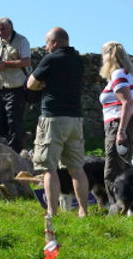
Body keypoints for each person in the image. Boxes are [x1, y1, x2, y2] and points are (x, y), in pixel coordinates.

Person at [27, 27, 89, 217]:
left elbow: (30, 83)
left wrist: (43, 84)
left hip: (53, 118)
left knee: (49, 169)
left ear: (54, 42)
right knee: (77, 168)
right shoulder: (78, 61)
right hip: (75, 119)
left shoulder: (51, 59)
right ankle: (83, 211)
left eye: (47, 43)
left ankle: (52, 213)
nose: (45, 47)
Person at [99, 41, 133, 207]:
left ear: (109, 57)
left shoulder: (118, 75)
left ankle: (116, 207)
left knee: (112, 170)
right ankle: (131, 206)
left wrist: (121, 130)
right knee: (126, 167)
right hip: (130, 122)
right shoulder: (130, 74)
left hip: (119, 124)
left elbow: (127, 103)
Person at [0, 17, 32, 153]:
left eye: (3, 29)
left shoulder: (22, 41)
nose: (0, 32)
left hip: (17, 86)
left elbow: (26, 62)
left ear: (11, 28)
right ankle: (12, 142)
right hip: (0, 86)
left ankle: (15, 153)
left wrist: (5, 64)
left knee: (14, 120)